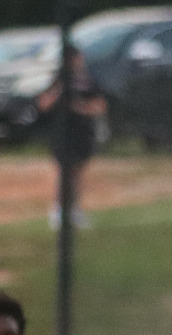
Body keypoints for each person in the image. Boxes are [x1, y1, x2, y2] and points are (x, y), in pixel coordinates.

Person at [36, 48, 106, 229]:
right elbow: (43, 104)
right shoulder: (57, 79)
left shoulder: (88, 80)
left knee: (78, 172)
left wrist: (81, 107)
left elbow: (100, 105)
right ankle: (58, 211)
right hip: (62, 132)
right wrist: (59, 89)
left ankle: (75, 210)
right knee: (64, 171)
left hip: (83, 131)